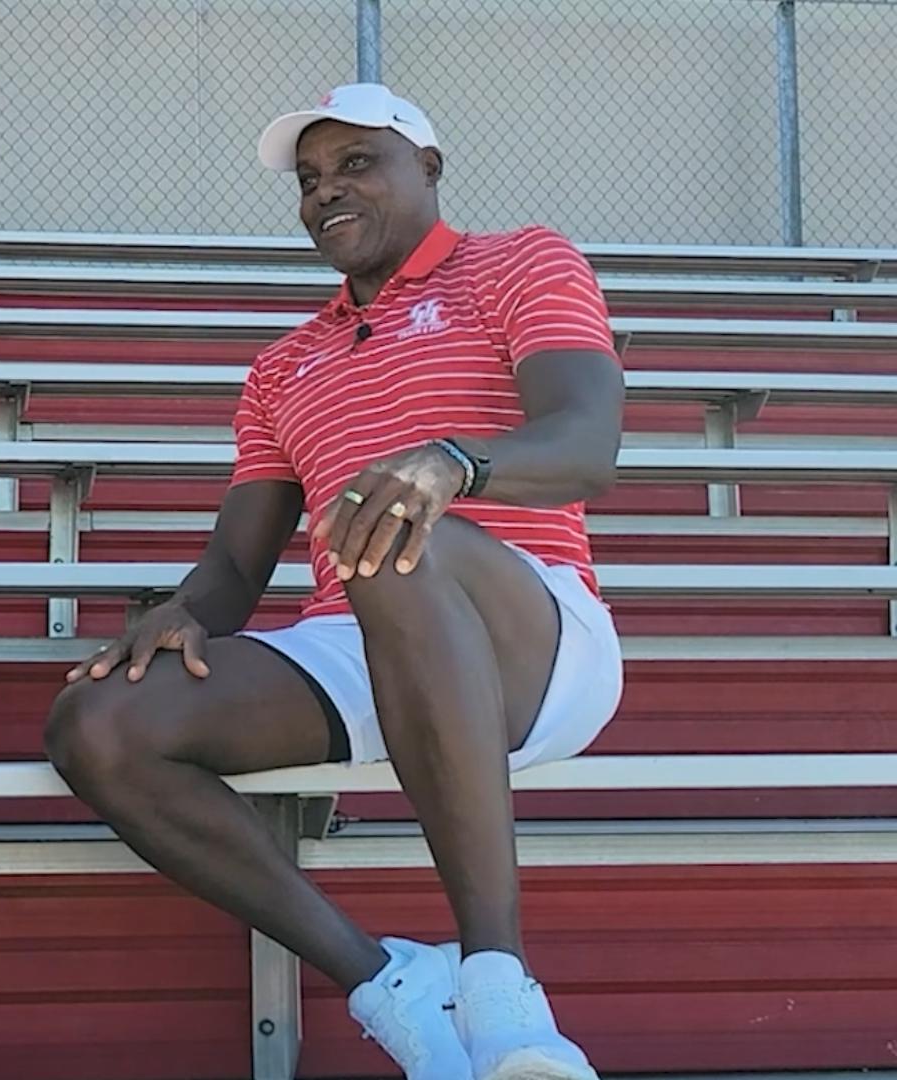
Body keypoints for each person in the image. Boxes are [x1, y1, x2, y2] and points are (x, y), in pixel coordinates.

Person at [45, 83, 626, 1080]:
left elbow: (588, 441)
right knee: (98, 723)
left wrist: (455, 463)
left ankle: (500, 987)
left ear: (429, 170)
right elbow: (238, 563)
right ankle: (390, 986)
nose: (327, 192)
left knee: (397, 538)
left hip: (531, 629)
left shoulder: (522, 261)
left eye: (357, 163)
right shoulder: (283, 365)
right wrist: (179, 616)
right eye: (311, 180)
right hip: (359, 629)